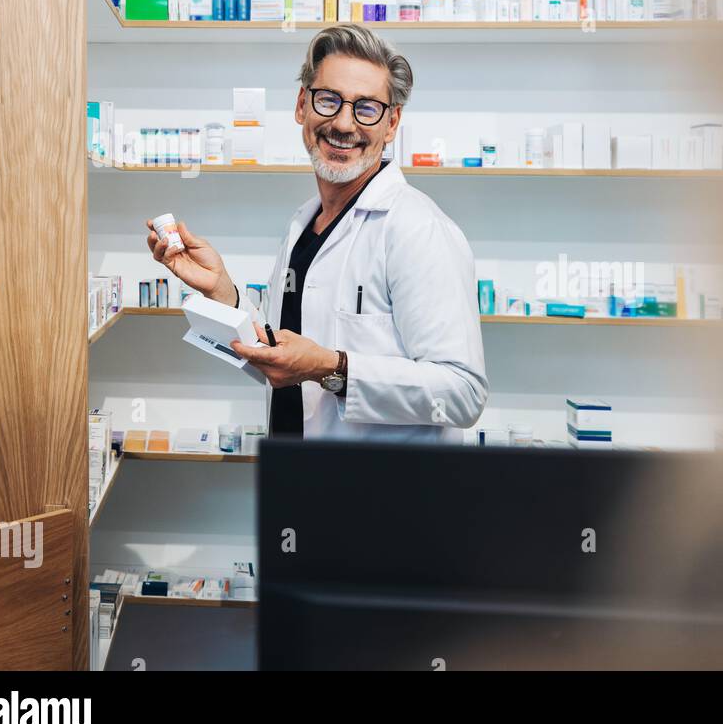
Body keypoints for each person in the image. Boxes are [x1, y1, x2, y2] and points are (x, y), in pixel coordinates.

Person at [147, 25, 487, 442]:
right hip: (293, 479)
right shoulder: (303, 225)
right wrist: (222, 291)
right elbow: (281, 358)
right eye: (328, 100)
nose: (343, 124)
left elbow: (463, 393)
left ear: (392, 122)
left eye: (366, 108)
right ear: (301, 106)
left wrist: (333, 367)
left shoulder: (418, 229)